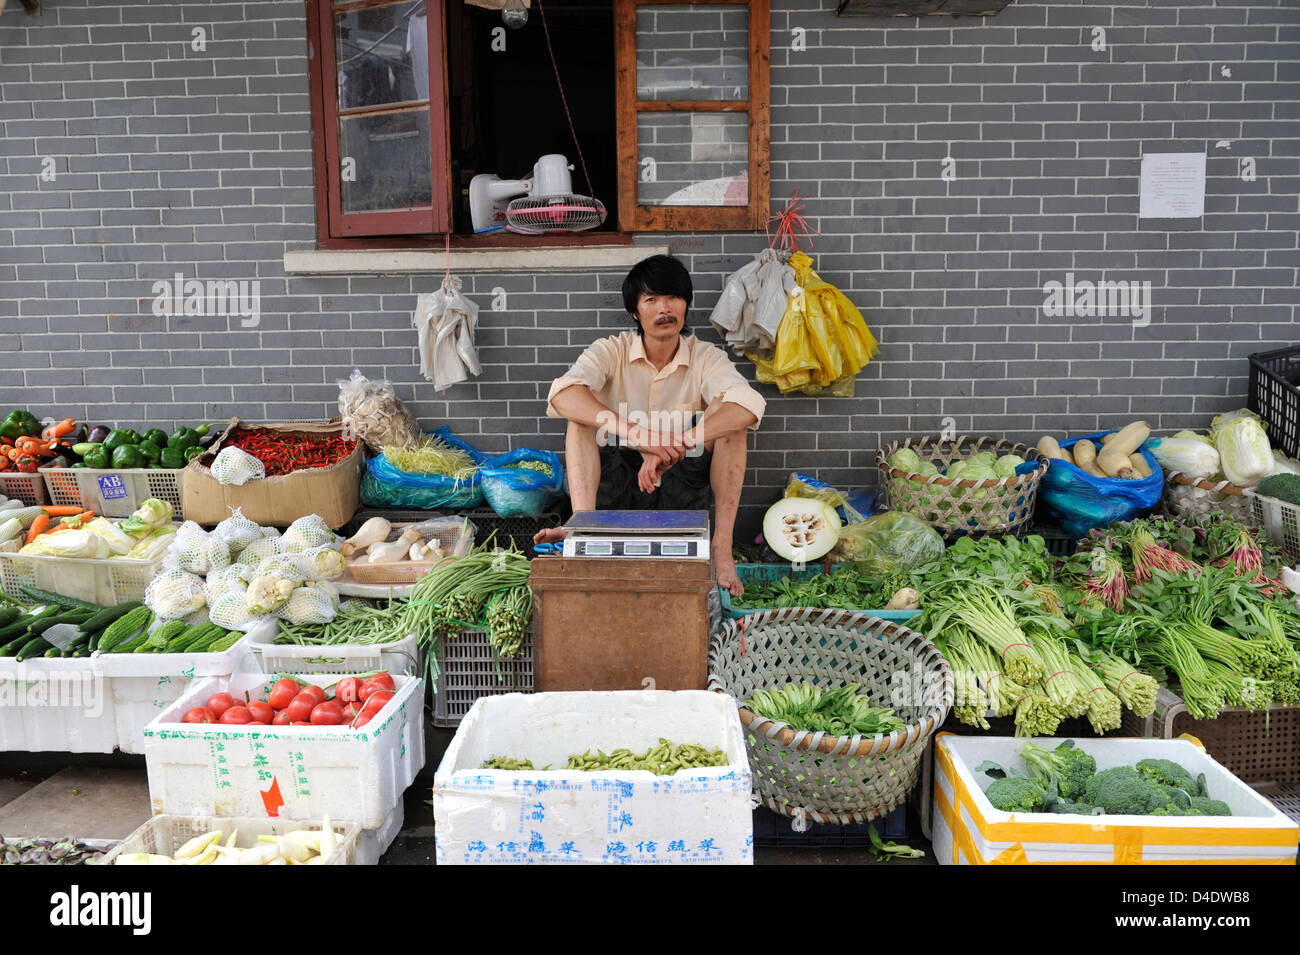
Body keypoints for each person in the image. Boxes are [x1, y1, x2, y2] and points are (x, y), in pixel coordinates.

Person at [533, 255, 766, 596]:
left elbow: (749, 405)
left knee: (731, 420)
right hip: (619, 481)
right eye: (651, 299)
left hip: (681, 481)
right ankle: (582, 530)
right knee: (580, 418)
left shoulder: (705, 357)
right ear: (635, 312)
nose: (664, 309)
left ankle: (722, 549)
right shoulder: (611, 351)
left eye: (673, 297)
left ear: (685, 304)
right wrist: (640, 436)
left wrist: (677, 443)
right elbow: (562, 393)